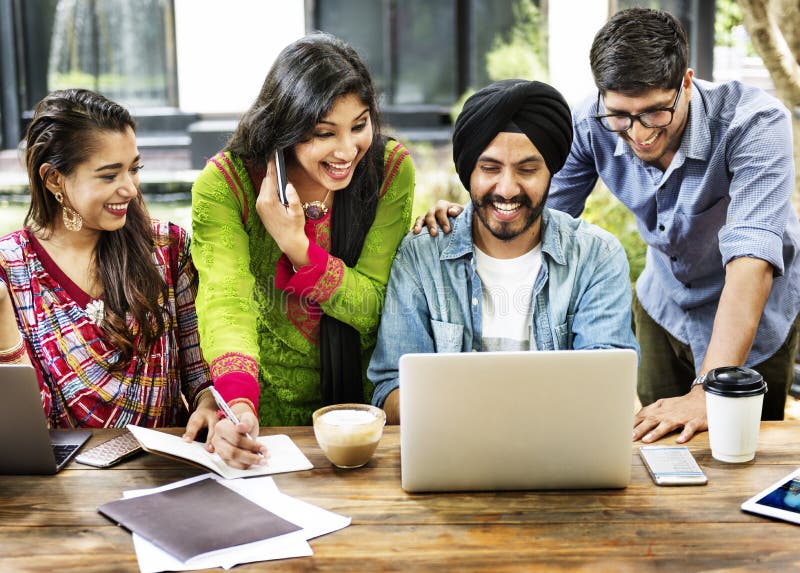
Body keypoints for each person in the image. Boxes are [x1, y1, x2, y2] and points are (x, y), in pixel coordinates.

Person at [418, 8, 800, 443]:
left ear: (687, 83)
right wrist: (475, 213)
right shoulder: (590, 123)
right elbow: (540, 216)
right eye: (620, 115)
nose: (638, 133)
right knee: (658, 446)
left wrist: (708, 391)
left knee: (735, 458)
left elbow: (750, 259)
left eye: (655, 113)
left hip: (753, 316)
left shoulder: (754, 123)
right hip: (664, 306)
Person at [189, 32, 414, 466]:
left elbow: (375, 307)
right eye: (324, 133)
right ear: (285, 128)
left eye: (360, 125)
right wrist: (237, 407)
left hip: (364, 421)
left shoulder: (389, 170)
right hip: (264, 421)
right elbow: (226, 303)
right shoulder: (226, 185)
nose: (347, 150)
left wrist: (299, 249)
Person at [368, 79, 638, 424]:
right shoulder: (421, 257)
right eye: (490, 169)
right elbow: (390, 390)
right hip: (454, 460)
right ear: (468, 172)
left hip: (563, 465)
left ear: (551, 171)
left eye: (527, 170)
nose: (507, 189)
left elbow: (609, 388)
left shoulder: (596, 257)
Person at [0, 88, 216, 431]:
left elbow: (201, 377)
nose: (130, 188)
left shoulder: (166, 247)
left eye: (134, 168)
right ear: (54, 178)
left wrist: (209, 406)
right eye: (109, 175)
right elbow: (25, 427)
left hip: (166, 469)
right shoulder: (12, 268)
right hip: (66, 480)